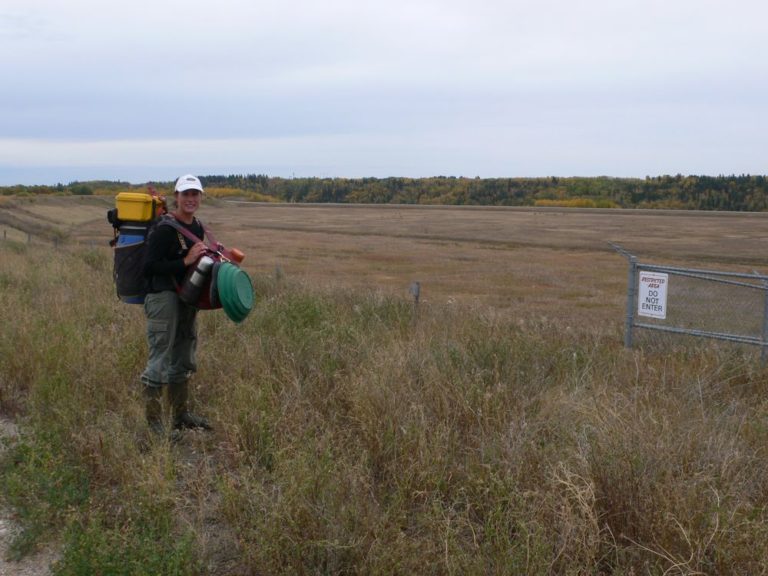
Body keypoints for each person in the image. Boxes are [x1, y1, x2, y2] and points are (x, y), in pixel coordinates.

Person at [140, 174, 212, 435]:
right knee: (160, 356)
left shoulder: (197, 226)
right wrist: (184, 261)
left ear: (200, 197)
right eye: (186, 194)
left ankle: (180, 416)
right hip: (162, 297)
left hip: (186, 296)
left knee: (183, 355)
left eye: (195, 194)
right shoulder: (164, 228)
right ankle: (154, 425)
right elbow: (148, 267)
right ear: (176, 197)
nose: (191, 199)